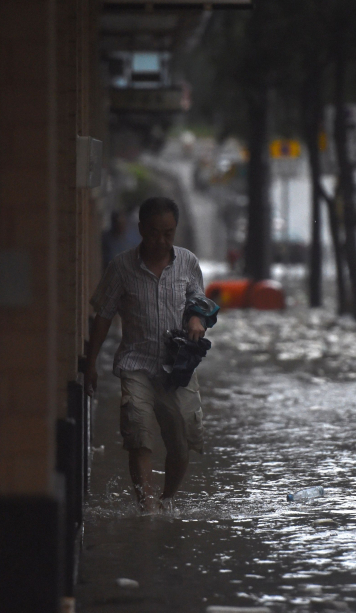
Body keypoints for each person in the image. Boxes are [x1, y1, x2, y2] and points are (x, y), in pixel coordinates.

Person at [85, 196, 209, 513]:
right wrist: (91, 364)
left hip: (176, 368)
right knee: (138, 435)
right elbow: (103, 315)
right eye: (154, 233)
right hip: (135, 365)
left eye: (169, 233)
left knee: (181, 444)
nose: (161, 241)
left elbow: (199, 301)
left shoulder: (188, 263)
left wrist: (196, 319)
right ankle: (147, 509)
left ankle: (166, 501)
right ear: (141, 229)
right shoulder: (122, 268)